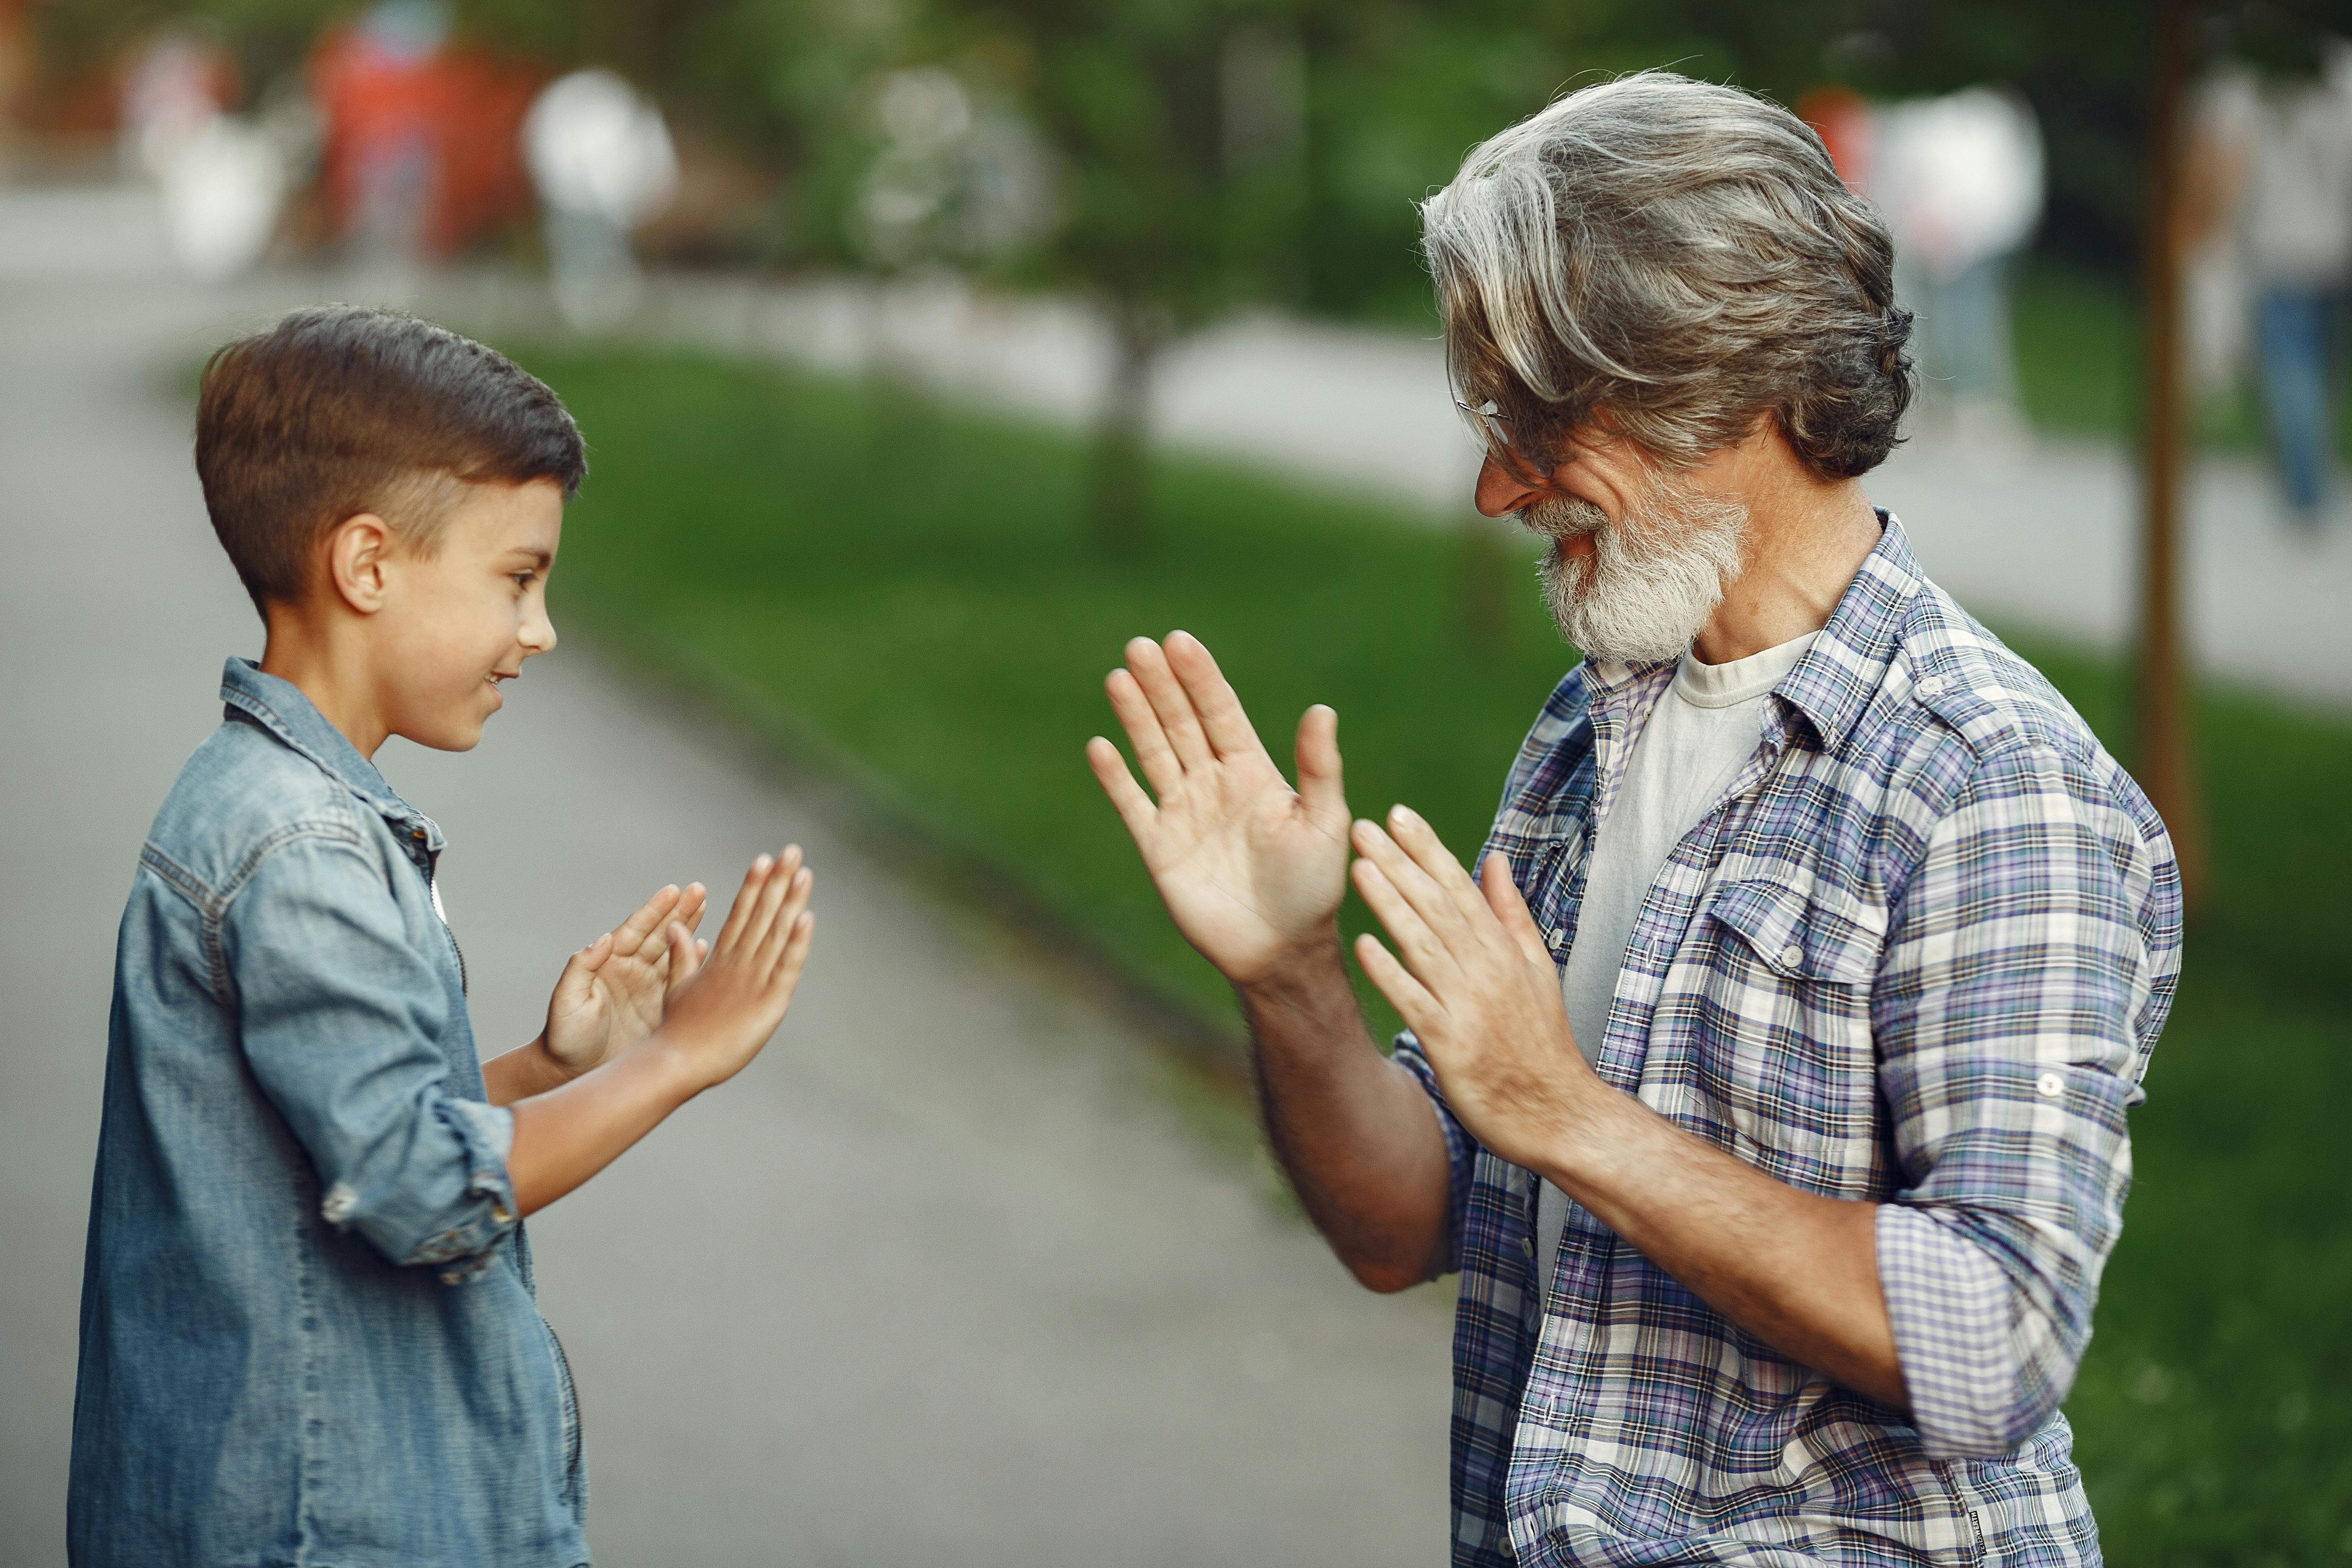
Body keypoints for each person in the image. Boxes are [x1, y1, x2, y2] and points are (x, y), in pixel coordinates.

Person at [1087, 74, 2180, 1565]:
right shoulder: (1592, 727)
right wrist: (1288, 977)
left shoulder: (1990, 786)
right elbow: (1405, 1226)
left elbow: (1992, 1344)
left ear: (1741, 380)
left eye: (1543, 415)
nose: (1492, 488)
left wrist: (1566, 1116)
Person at [69, 306, 818, 1566]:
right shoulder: (299, 848)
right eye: (518, 579)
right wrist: (678, 1059)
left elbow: (324, 1153)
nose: (542, 631)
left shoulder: (283, 810)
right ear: (367, 566)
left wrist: (541, 1071)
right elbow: (421, 1195)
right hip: (320, 1531)